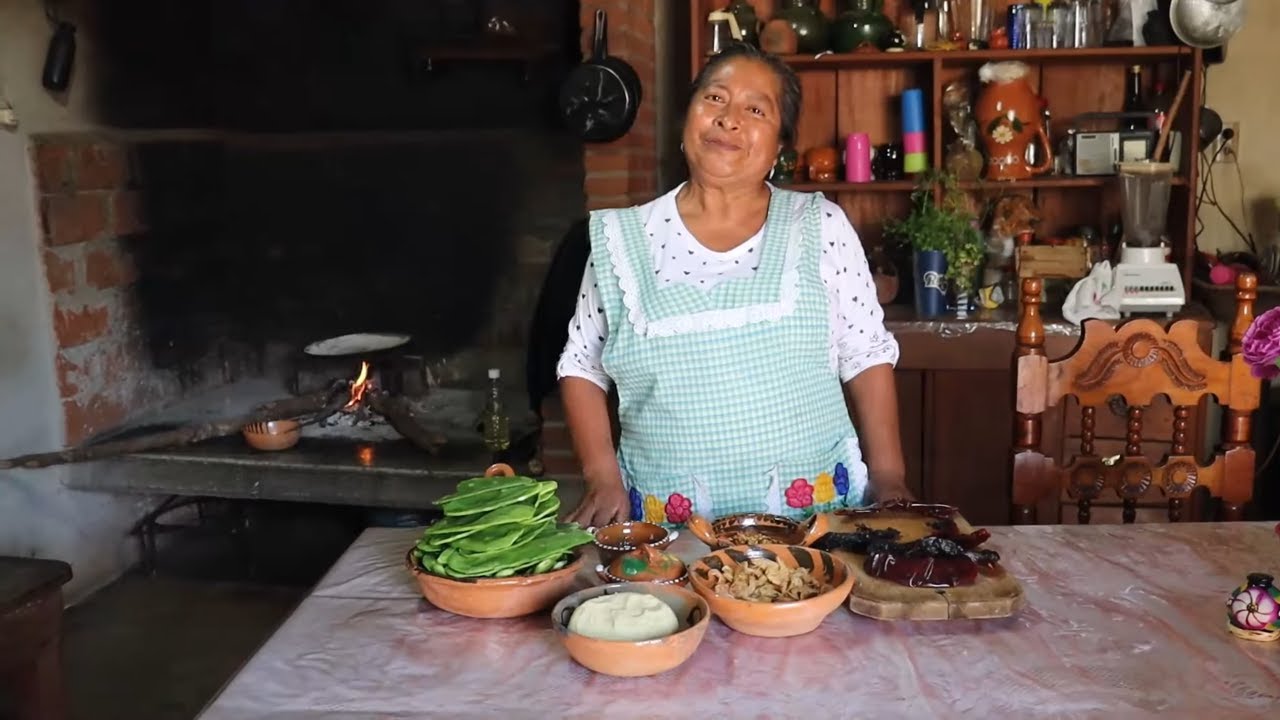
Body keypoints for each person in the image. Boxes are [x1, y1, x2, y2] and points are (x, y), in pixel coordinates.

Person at [556, 42, 910, 529]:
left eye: (756, 109)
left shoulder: (819, 225)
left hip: (813, 528)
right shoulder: (621, 240)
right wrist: (602, 476)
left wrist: (889, 476)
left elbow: (865, 353)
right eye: (715, 99)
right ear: (688, 119)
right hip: (670, 533)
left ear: (779, 146)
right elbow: (581, 365)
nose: (729, 118)